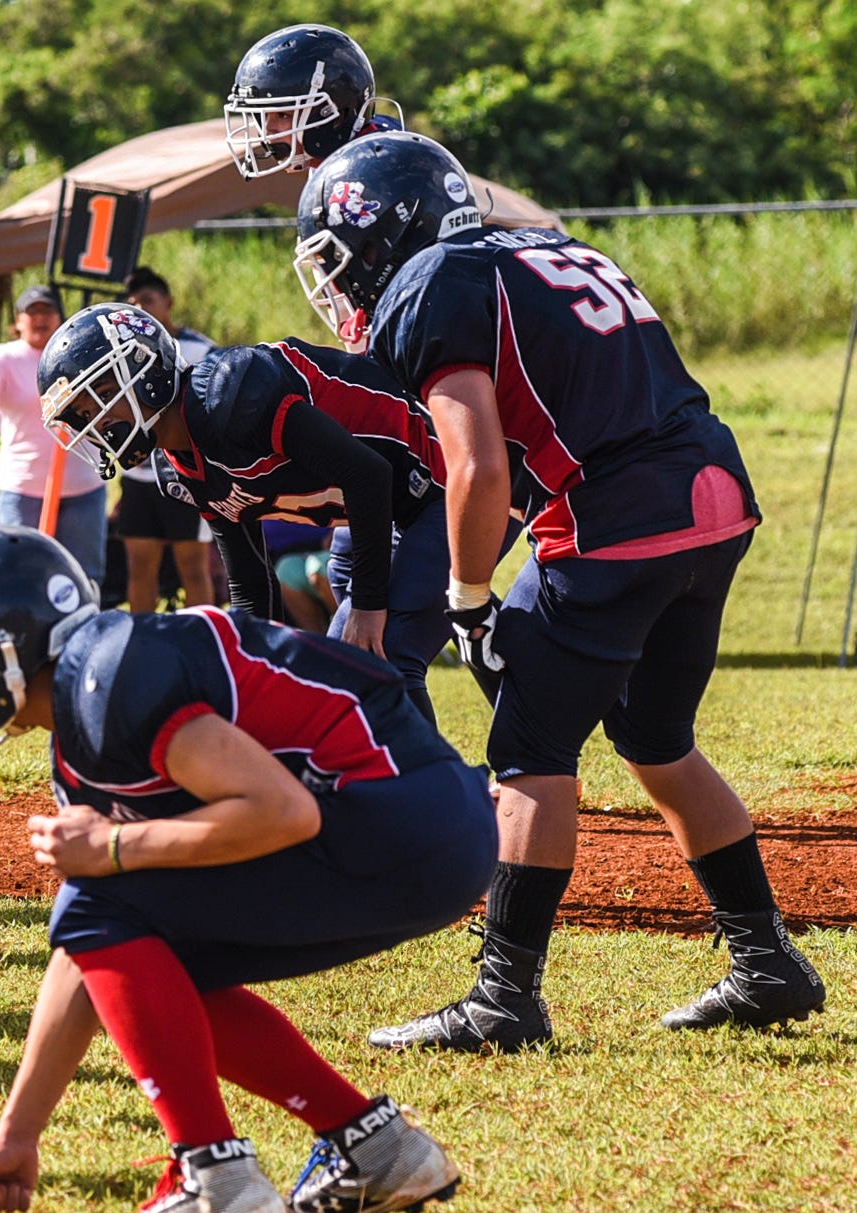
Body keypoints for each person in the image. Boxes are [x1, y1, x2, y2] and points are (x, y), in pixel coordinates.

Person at [296, 131, 826, 1049]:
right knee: (656, 740)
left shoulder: (429, 283)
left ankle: (504, 999)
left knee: (528, 749)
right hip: (712, 495)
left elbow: (476, 465)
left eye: (337, 257)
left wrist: (466, 596)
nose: (337, 281)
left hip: (615, 514)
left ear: (383, 231)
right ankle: (766, 960)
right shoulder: (552, 246)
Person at [0, 525, 488, 1213]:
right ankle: (375, 1147)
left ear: (0, 650)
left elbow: (280, 811)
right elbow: (90, 951)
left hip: (393, 815)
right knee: (149, 952)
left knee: (111, 900)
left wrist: (111, 848)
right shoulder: (96, 685)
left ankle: (214, 1181)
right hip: (422, 824)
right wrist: (16, 1133)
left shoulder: (108, 680)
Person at [37, 302, 461, 721]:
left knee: (378, 659)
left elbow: (368, 475)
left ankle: (437, 787)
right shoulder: (179, 468)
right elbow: (251, 580)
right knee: (350, 666)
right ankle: (500, 641)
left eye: (102, 399)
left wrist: (369, 607)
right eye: (85, 415)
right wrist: (252, 675)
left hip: (447, 478)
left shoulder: (230, 396)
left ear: (144, 371)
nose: (96, 423)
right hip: (382, 507)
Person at [0, 284, 105, 585]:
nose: (40, 318)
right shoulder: (4, 359)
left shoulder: (84, 354)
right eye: (32, 311)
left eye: (47, 310)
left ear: (61, 317)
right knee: (20, 575)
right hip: (24, 490)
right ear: (18, 321)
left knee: (83, 578)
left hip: (83, 490)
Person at [110, 268, 214, 613]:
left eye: (149, 301)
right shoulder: (119, 355)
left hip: (187, 475)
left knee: (193, 566)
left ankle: (205, 639)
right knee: (140, 566)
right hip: (139, 477)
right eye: (134, 304)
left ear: (168, 303)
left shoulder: (199, 351)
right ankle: (144, 639)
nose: (142, 308)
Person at [223, 24, 395, 179]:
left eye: (283, 115)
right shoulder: (345, 158)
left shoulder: (370, 173)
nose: (268, 130)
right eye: (263, 117)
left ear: (337, 117)